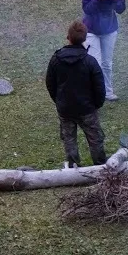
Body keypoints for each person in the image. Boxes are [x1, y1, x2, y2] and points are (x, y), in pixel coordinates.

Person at [45, 21, 107, 167]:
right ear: (85, 39)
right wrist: (96, 105)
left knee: (69, 138)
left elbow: (50, 84)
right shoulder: (90, 61)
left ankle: (72, 167)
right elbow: (99, 87)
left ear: (68, 37)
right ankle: (100, 166)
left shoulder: (56, 59)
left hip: (65, 109)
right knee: (95, 139)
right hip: (87, 109)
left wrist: (59, 101)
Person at [81, 0, 126, 100]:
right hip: (91, 30)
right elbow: (87, 9)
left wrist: (114, 0)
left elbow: (121, 9)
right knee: (95, 64)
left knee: (107, 63)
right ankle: (94, 94)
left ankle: (108, 92)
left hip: (109, 30)